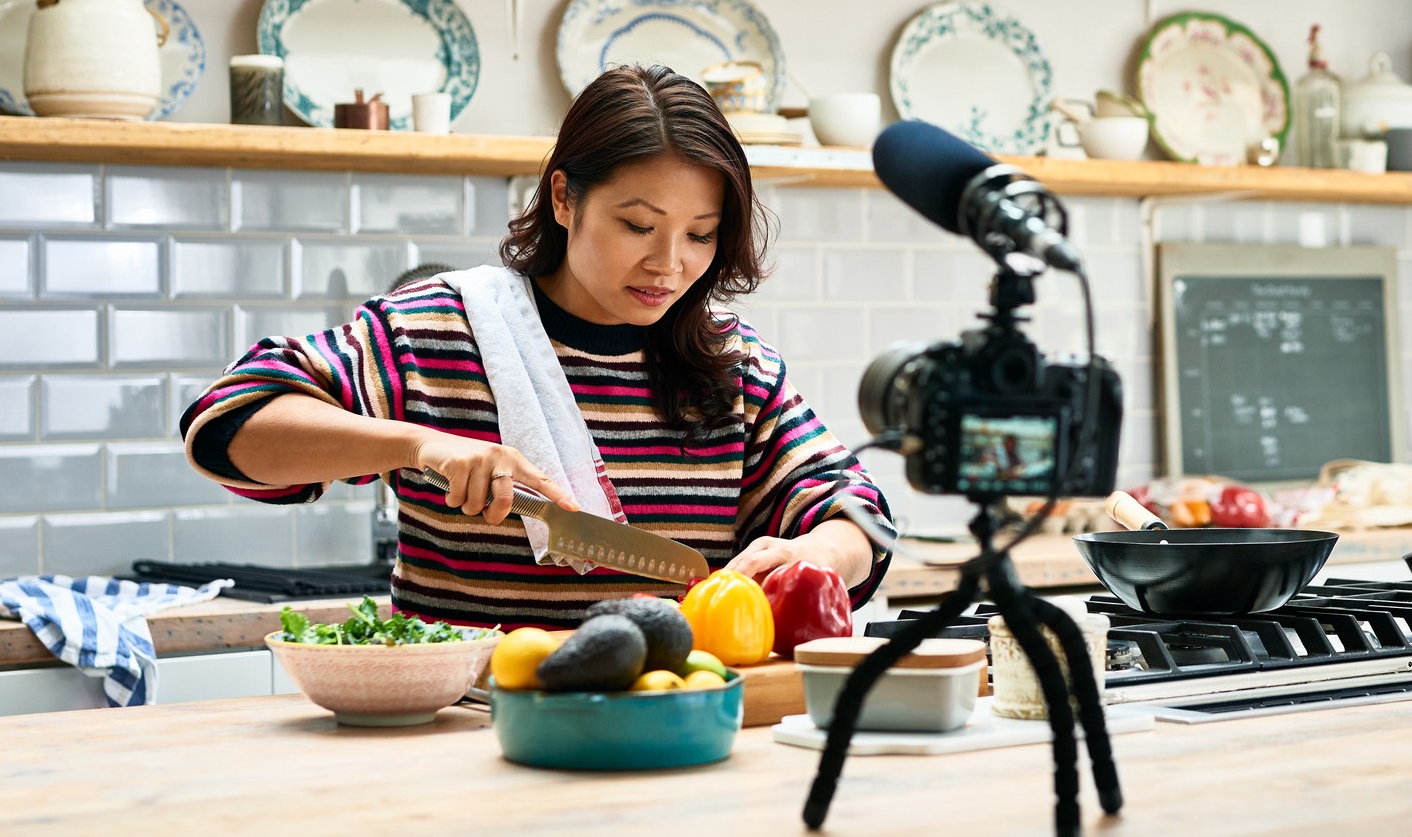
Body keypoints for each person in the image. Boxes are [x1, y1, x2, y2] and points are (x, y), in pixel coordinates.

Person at [180, 65, 892, 627]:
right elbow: (229, 425)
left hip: (673, 718)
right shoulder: (438, 330)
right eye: (638, 225)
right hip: (459, 737)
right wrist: (421, 446)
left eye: (700, 234)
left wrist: (810, 553)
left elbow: (858, 511)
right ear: (563, 198)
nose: (669, 263)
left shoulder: (732, 367)